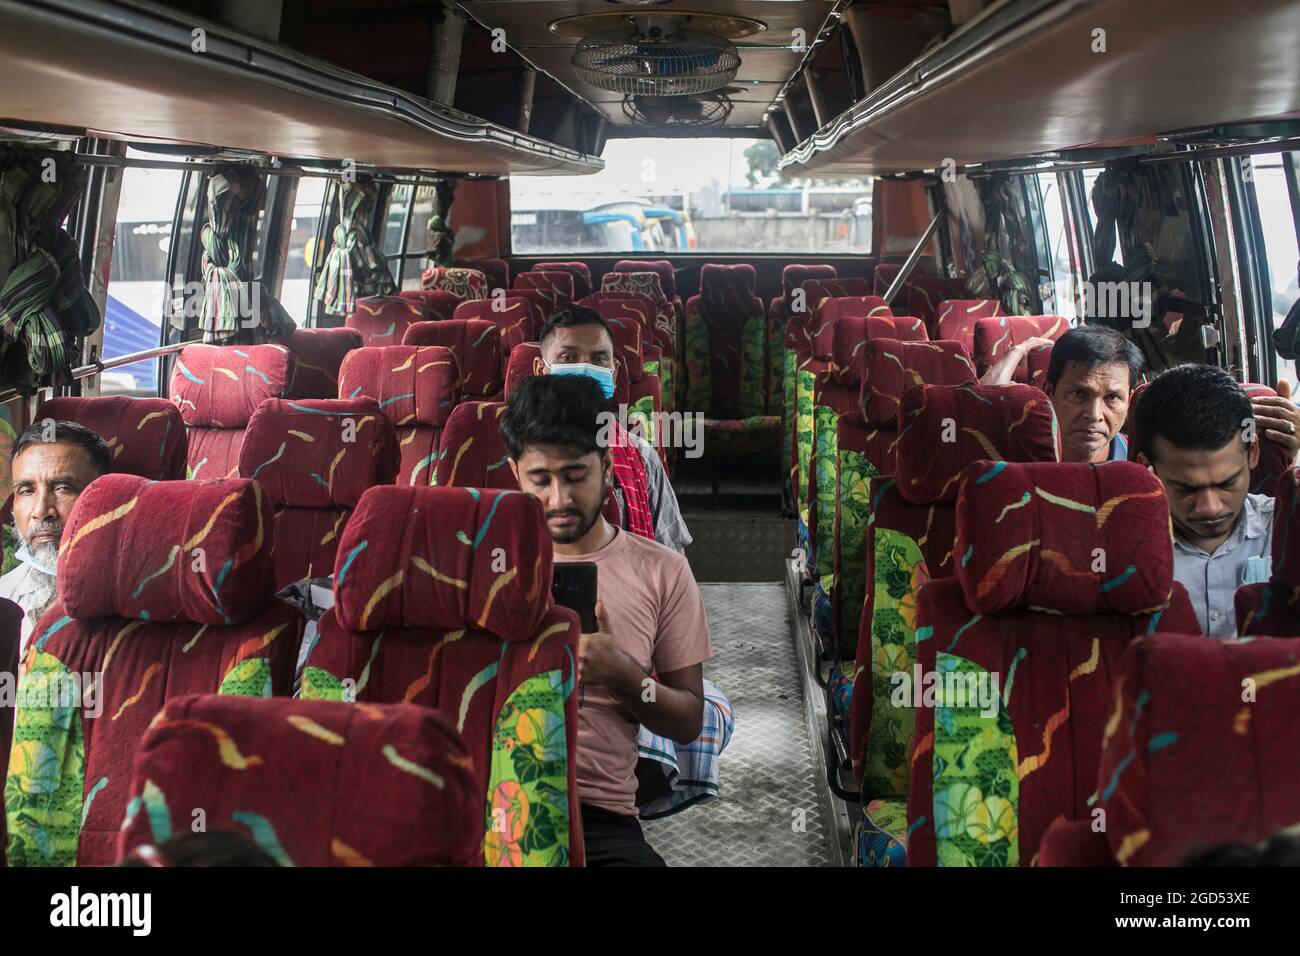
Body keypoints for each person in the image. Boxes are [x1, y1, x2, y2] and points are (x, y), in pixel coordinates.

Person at [501, 374, 713, 866]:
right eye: (540, 480)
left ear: (608, 466)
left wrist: (622, 676)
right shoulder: (486, 563)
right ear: (516, 473)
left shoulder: (662, 571)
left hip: (597, 817)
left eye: (576, 476)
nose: (559, 499)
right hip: (488, 796)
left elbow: (687, 720)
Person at [1132, 364, 1299, 638]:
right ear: (1148, 468)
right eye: (1186, 488)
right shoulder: (1122, 551)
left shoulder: (1289, 532)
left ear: (1253, 453)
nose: (1210, 507)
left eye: (1227, 483)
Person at [532, 305, 691, 552]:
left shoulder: (640, 454)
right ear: (541, 371)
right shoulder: (511, 453)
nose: (585, 370)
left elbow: (669, 557)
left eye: (599, 359)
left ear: (614, 375)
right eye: (568, 358)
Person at [1, 420, 109, 659]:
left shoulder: (140, 603)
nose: (41, 511)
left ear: (103, 499)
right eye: (27, 490)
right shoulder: (4, 595)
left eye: (63, 488)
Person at [981, 325, 1144, 462]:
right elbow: (983, 401)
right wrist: (1018, 350)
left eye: (1112, 398)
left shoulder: (1144, 465)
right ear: (1049, 392)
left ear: (1129, 402)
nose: (1094, 415)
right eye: (1079, 394)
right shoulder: (1022, 449)